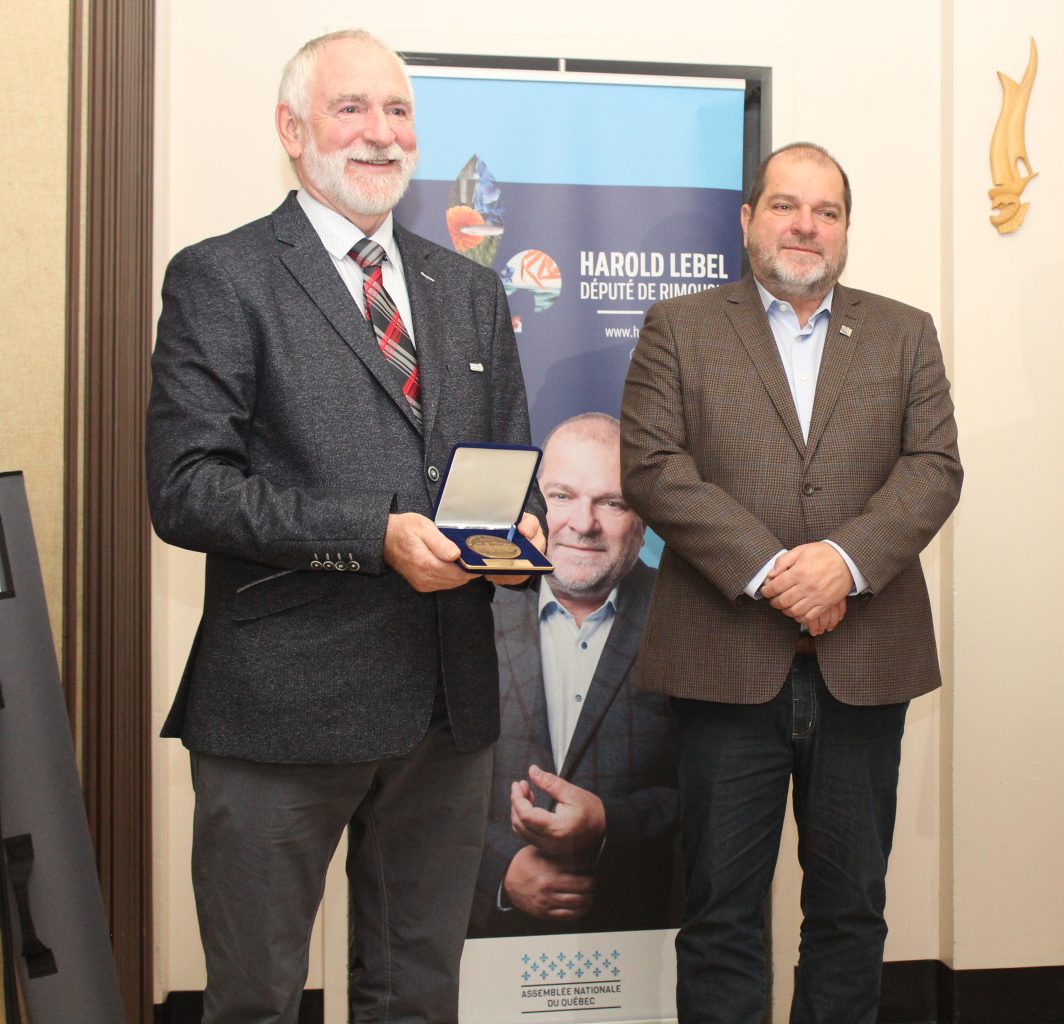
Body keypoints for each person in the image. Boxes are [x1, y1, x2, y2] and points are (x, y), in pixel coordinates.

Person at [145, 29, 543, 1023]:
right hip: (281, 706)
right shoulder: (222, 276)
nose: (381, 133)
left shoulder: (472, 289)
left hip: (446, 709)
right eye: (352, 109)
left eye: (398, 111)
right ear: (293, 130)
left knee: (417, 995)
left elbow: (510, 467)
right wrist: (378, 533)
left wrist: (521, 539)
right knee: (258, 998)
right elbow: (187, 488)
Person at [620, 142, 963, 1023]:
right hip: (723, 664)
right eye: (785, 205)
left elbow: (934, 468)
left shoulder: (904, 332)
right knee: (721, 913)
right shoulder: (680, 326)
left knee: (850, 911)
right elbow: (653, 467)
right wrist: (776, 570)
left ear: (845, 229)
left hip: (865, 665)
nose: (805, 226)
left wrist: (844, 562)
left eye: (826, 211)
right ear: (748, 220)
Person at [469, 412, 678, 937]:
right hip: (479, 956)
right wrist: (500, 866)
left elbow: (722, 795)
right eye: (561, 496)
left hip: (646, 942)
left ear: (645, 521)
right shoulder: (467, 612)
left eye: (613, 503)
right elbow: (417, 788)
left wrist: (607, 824)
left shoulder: (689, 622)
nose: (583, 523)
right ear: (530, 504)